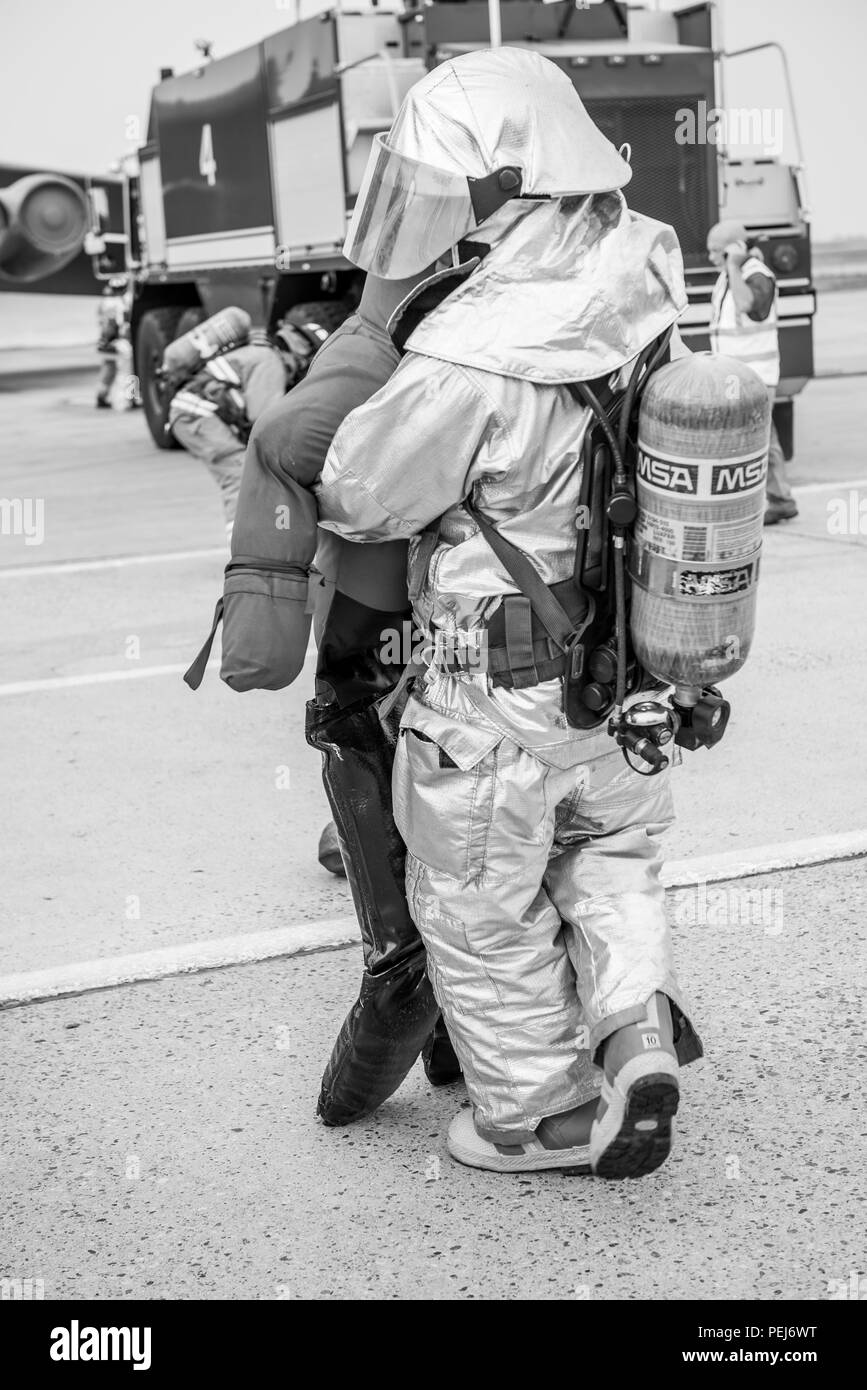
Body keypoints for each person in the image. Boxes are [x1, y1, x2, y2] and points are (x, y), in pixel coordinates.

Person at [315, 47, 703, 1178]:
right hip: (626, 671)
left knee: (478, 903)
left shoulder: (472, 347)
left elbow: (362, 487)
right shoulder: (645, 280)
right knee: (612, 852)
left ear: (491, 186)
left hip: (494, 687)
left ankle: (540, 1118)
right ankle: (634, 1032)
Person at [231, 274, 462, 1125]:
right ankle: (466, 1018)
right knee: (472, 758)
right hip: (534, 593)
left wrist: (262, 594)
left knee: (354, 722)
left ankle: (401, 959)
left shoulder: (405, 308)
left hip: (388, 582)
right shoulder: (568, 293)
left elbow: (285, 439)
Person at [167, 315, 324, 537]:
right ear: (303, 350)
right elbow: (263, 419)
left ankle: (257, 539)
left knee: (246, 471)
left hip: (193, 413)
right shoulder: (271, 361)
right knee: (237, 473)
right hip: (196, 414)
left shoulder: (259, 353)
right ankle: (240, 547)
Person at [707, 219, 797, 526]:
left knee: (745, 440)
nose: (710, 258)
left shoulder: (754, 275)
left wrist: (733, 264)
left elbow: (749, 306)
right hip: (735, 375)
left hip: (753, 375)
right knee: (761, 437)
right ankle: (782, 499)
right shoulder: (730, 276)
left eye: (716, 251)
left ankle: (743, 504)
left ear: (734, 248)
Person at [95, 277, 129, 409]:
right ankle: (130, 398)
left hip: (105, 341)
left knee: (108, 368)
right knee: (128, 371)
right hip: (121, 342)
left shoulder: (104, 303)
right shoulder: (121, 302)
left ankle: (101, 396)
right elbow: (123, 323)